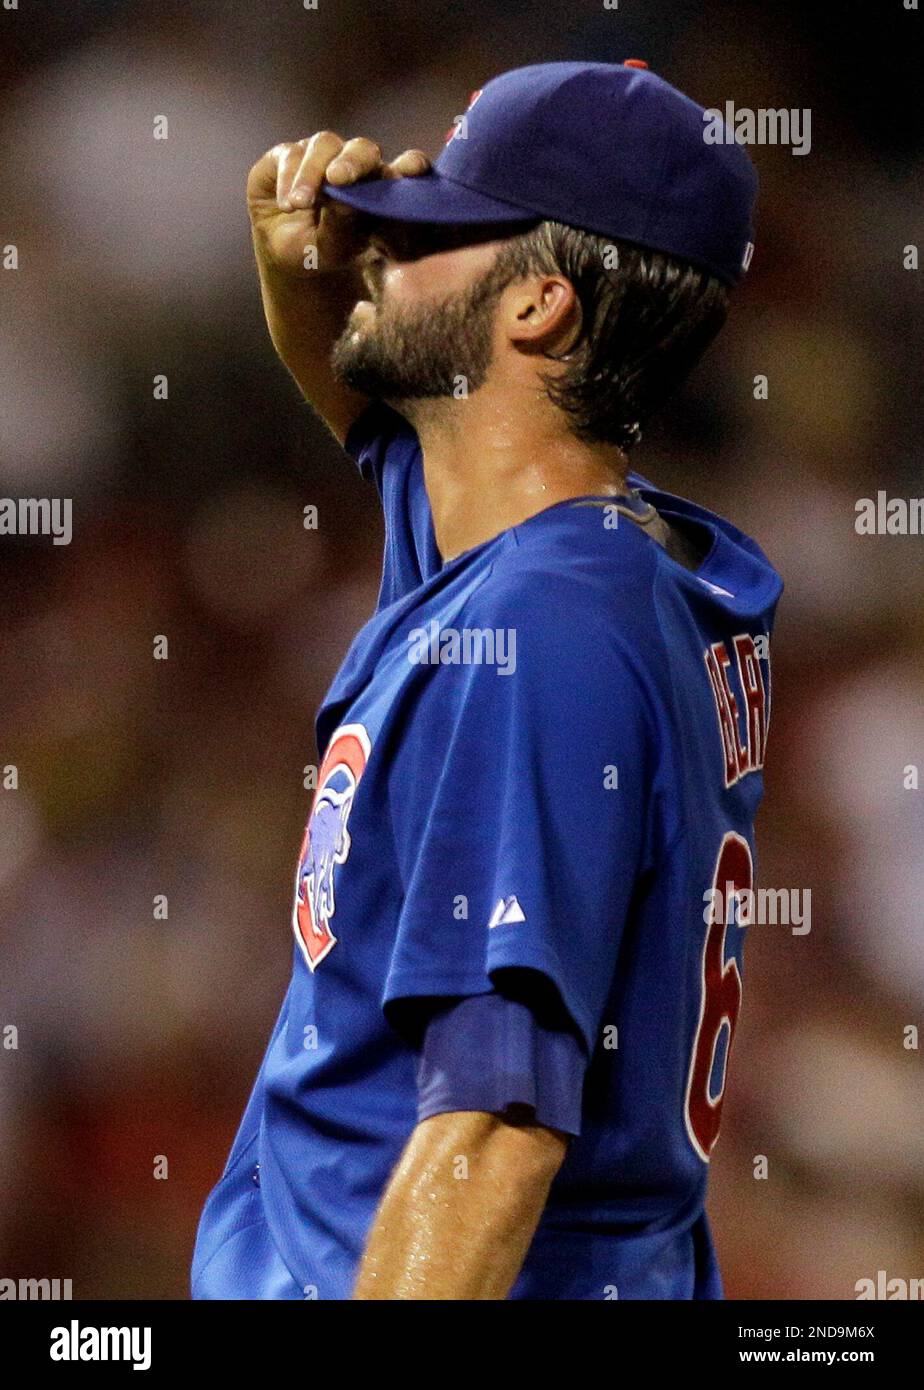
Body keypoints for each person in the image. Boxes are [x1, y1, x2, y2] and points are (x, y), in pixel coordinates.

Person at [191, 60, 783, 1301]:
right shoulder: (573, 561)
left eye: (433, 237)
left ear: (538, 312)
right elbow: (375, 418)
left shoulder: (542, 628)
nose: (376, 249)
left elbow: (494, 1131)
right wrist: (296, 273)